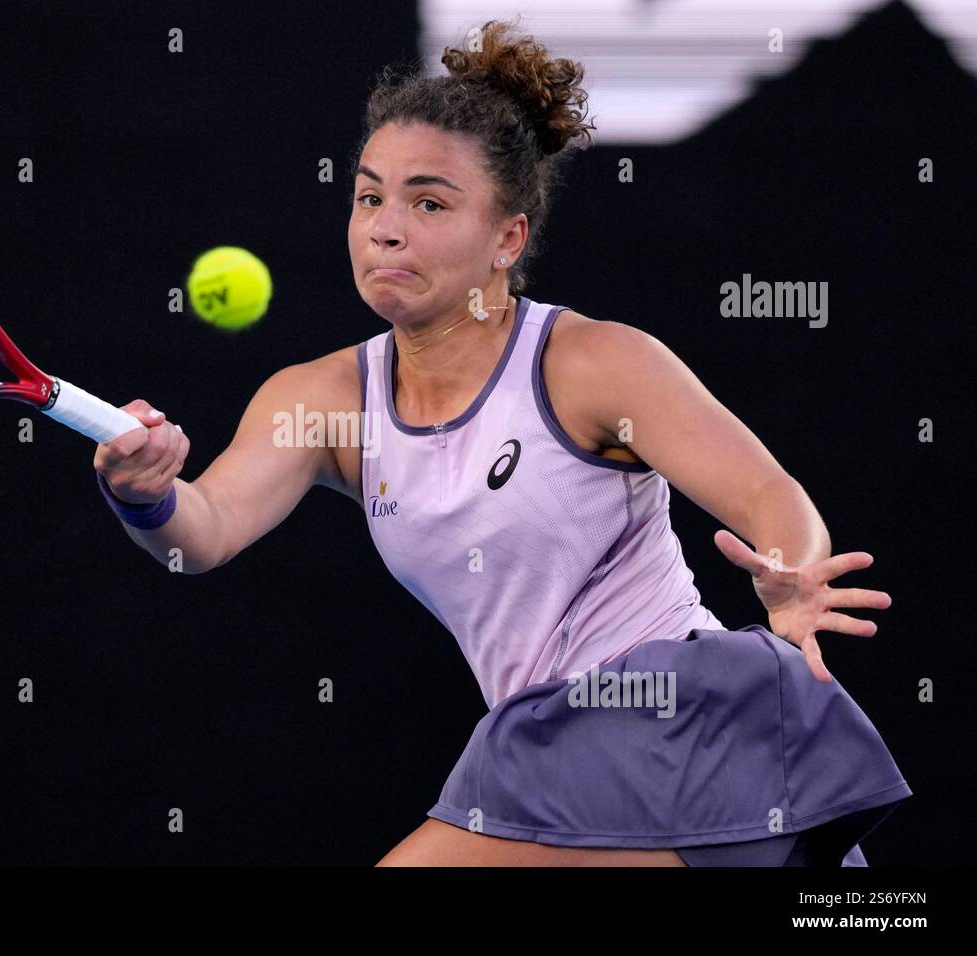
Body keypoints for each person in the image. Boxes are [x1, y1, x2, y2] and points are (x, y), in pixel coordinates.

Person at [91, 19, 911, 866]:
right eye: (369, 197)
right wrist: (145, 492)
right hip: (567, 767)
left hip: (685, 723)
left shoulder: (595, 363)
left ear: (507, 240)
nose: (386, 228)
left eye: (430, 202)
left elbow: (769, 495)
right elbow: (208, 528)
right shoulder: (321, 402)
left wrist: (795, 575)